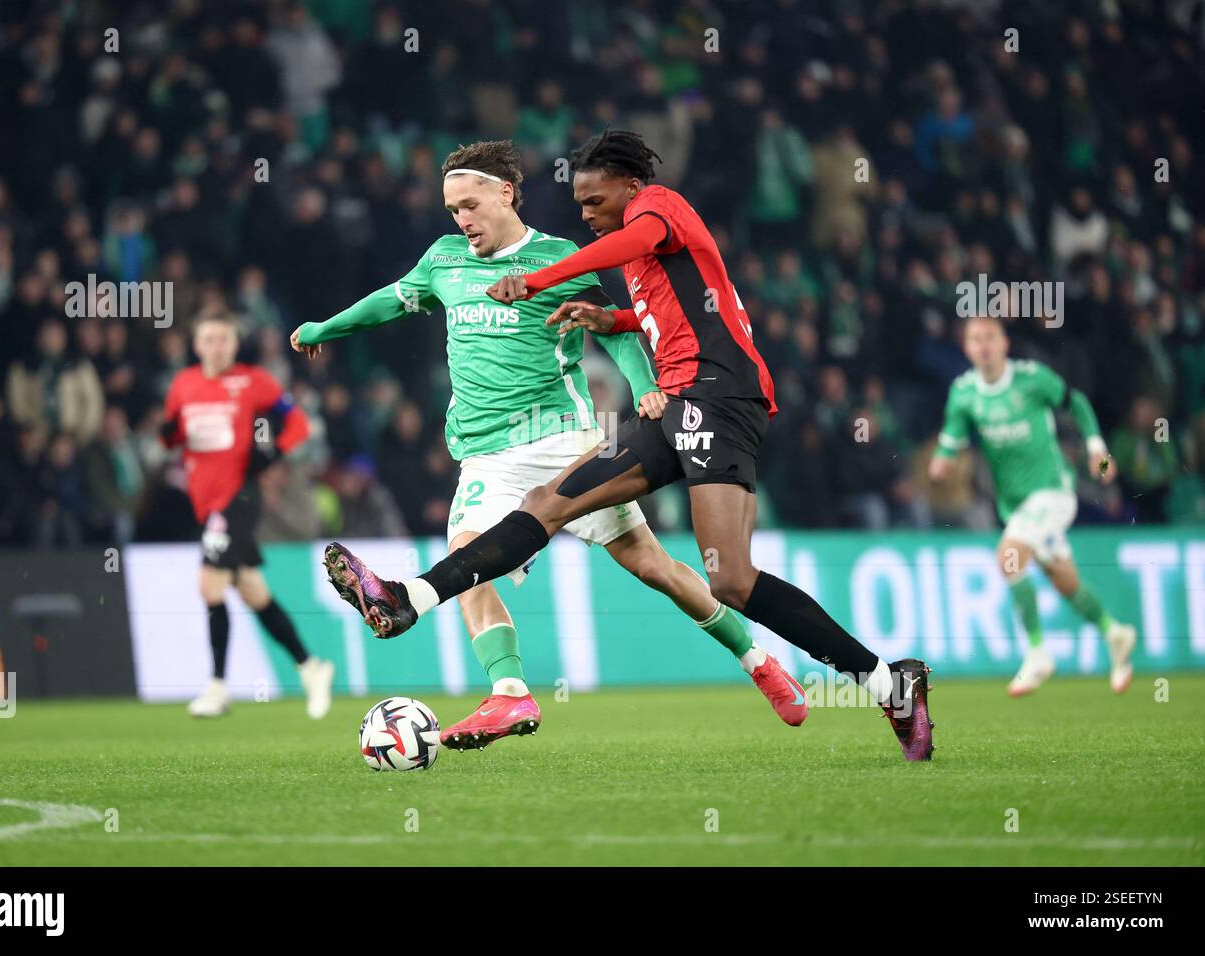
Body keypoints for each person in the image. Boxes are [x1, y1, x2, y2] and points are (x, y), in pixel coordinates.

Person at [319, 131, 933, 761]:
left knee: (732, 580)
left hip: (719, 399)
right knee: (546, 505)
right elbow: (663, 317)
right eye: (579, 204)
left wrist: (539, 282)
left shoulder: (658, 208)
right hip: (676, 403)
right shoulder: (630, 262)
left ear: (630, 185)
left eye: (593, 200)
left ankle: (886, 682)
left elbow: (627, 244)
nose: (586, 215)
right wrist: (608, 320)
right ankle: (406, 598)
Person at [929, 314, 1137, 696]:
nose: (984, 345)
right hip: (1015, 504)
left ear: (1004, 343)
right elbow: (952, 436)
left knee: (1008, 556)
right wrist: (941, 460)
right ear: (967, 348)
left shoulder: (1032, 378)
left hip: (1053, 491)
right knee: (1064, 580)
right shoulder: (964, 392)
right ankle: (1115, 631)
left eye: (990, 337)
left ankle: (1038, 653)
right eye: (976, 339)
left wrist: (1097, 450)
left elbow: (1077, 403)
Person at [161, 314, 334, 718]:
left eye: (224, 339)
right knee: (252, 590)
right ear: (197, 344)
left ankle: (218, 687)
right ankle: (311, 667)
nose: (217, 346)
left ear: (234, 345)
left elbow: (298, 423)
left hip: (237, 497)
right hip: (205, 503)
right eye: (209, 339)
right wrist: (168, 433)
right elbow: (171, 437)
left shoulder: (254, 381)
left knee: (210, 586)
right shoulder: (183, 385)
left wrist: (274, 451)